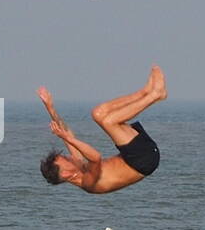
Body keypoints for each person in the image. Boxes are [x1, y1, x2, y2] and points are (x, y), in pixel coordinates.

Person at [38, 66, 167, 193]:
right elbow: (96, 157)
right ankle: (155, 96)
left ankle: (145, 92)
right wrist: (66, 138)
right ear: (65, 174)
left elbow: (67, 133)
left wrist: (50, 108)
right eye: (66, 159)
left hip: (134, 154)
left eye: (65, 156)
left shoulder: (79, 166)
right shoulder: (87, 182)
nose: (69, 157)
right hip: (144, 160)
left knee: (98, 113)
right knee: (108, 121)